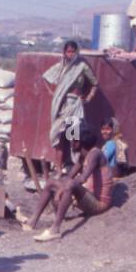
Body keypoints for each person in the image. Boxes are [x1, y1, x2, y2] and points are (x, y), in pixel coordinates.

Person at [21, 125, 113, 241]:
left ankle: (55, 229)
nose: (71, 144)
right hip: (90, 197)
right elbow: (70, 176)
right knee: (51, 183)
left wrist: (63, 188)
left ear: (79, 142)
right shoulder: (82, 156)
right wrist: (60, 186)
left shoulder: (95, 154)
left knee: (70, 185)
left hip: (99, 204)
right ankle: (32, 222)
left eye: (73, 141)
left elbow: (82, 178)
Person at [42, 40, 96, 168]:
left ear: (77, 52)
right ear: (65, 52)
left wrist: (88, 98)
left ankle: (73, 167)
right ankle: (59, 168)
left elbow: (94, 83)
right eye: (68, 51)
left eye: (73, 51)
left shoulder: (82, 66)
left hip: (74, 104)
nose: (71, 54)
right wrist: (52, 92)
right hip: (61, 104)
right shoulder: (61, 67)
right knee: (57, 135)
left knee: (72, 136)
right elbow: (45, 76)